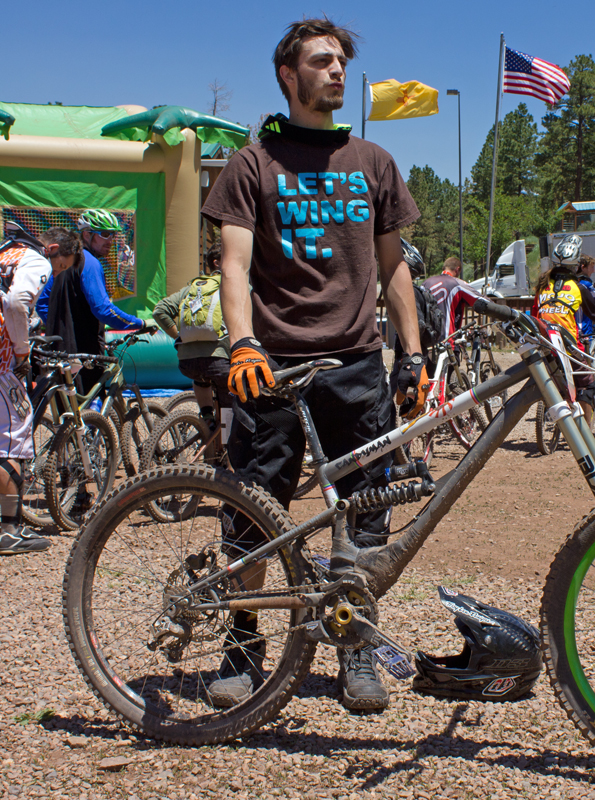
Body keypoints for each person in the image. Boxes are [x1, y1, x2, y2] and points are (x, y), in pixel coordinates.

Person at [200, 18, 423, 713]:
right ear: (287, 76)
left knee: (365, 518)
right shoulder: (252, 164)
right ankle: (243, 646)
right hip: (272, 371)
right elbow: (233, 269)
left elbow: (394, 268)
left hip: (356, 366)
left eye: (341, 62)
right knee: (253, 517)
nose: (336, 72)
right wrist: (242, 345)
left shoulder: (374, 161)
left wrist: (412, 353)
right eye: (321, 61)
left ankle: (356, 650)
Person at [0, 223, 78, 555]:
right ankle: (10, 531)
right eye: (60, 267)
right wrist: (23, 349)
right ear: (54, 250)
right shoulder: (35, 258)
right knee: (16, 431)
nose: (55, 275)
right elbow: (16, 303)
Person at [39, 209, 156, 392]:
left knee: (67, 411)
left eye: (113, 235)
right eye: (105, 234)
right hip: (84, 353)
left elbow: (42, 302)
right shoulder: (91, 263)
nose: (110, 240)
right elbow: (103, 310)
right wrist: (139, 323)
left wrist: (60, 328)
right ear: (87, 234)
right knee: (91, 410)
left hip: (58, 350)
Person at [536, 235, 595, 448]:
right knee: (588, 382)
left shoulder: (543, 285)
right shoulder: (578, 287)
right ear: (576, 265)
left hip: (543, 343)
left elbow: (536, 314)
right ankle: (587, 436)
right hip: (568, 345)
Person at [152, 240, 232, 442]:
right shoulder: (234, 284)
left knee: (201, 377)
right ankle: (232, 457)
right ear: (217, 262)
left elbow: (159, 310)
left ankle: (206, 418)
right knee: (232, 406)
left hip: (187, 362)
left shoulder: (191, 288)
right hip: (220, 362)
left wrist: (180, 337)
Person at [422, 256, 480, 342]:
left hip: (426, 340)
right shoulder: (457, 283)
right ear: (457, 270)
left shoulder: (425, 283)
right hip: (448, 341)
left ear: (443, 268)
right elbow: (481, 300)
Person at [575, 255, 595, 340]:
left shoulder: (569, 283)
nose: (594, 271)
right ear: (583, 267)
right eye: (592, 267)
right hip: (583, 327)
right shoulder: (586, 285)